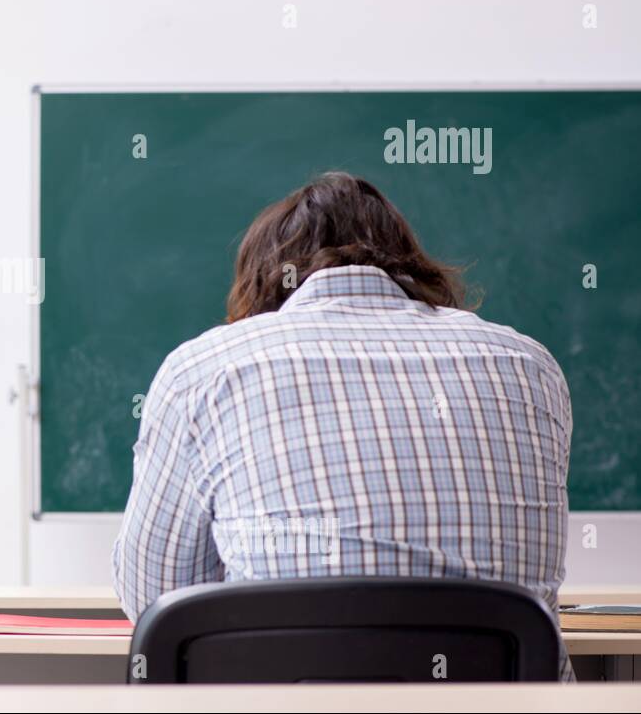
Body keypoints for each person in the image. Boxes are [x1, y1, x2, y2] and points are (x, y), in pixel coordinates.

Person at [111, 171, 575, 681]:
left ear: (264, 280)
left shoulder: (203, 370)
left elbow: (155, 594)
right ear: (410, 263)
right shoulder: (528, 365)